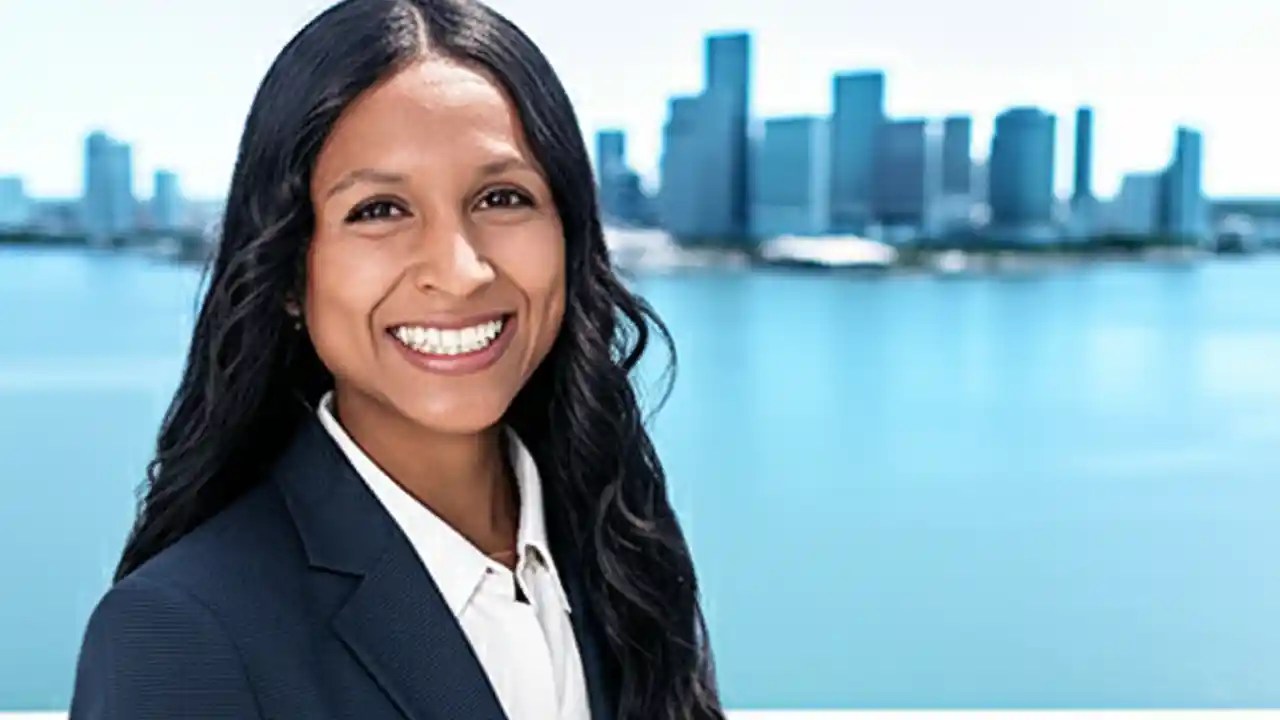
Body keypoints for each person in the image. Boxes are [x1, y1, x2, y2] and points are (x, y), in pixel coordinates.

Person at [68, 1, 723, 718]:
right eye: (379, 209)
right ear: (291, 272)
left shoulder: (621, 555)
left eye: (502, 198)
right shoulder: (179, 637)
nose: (461, 270)